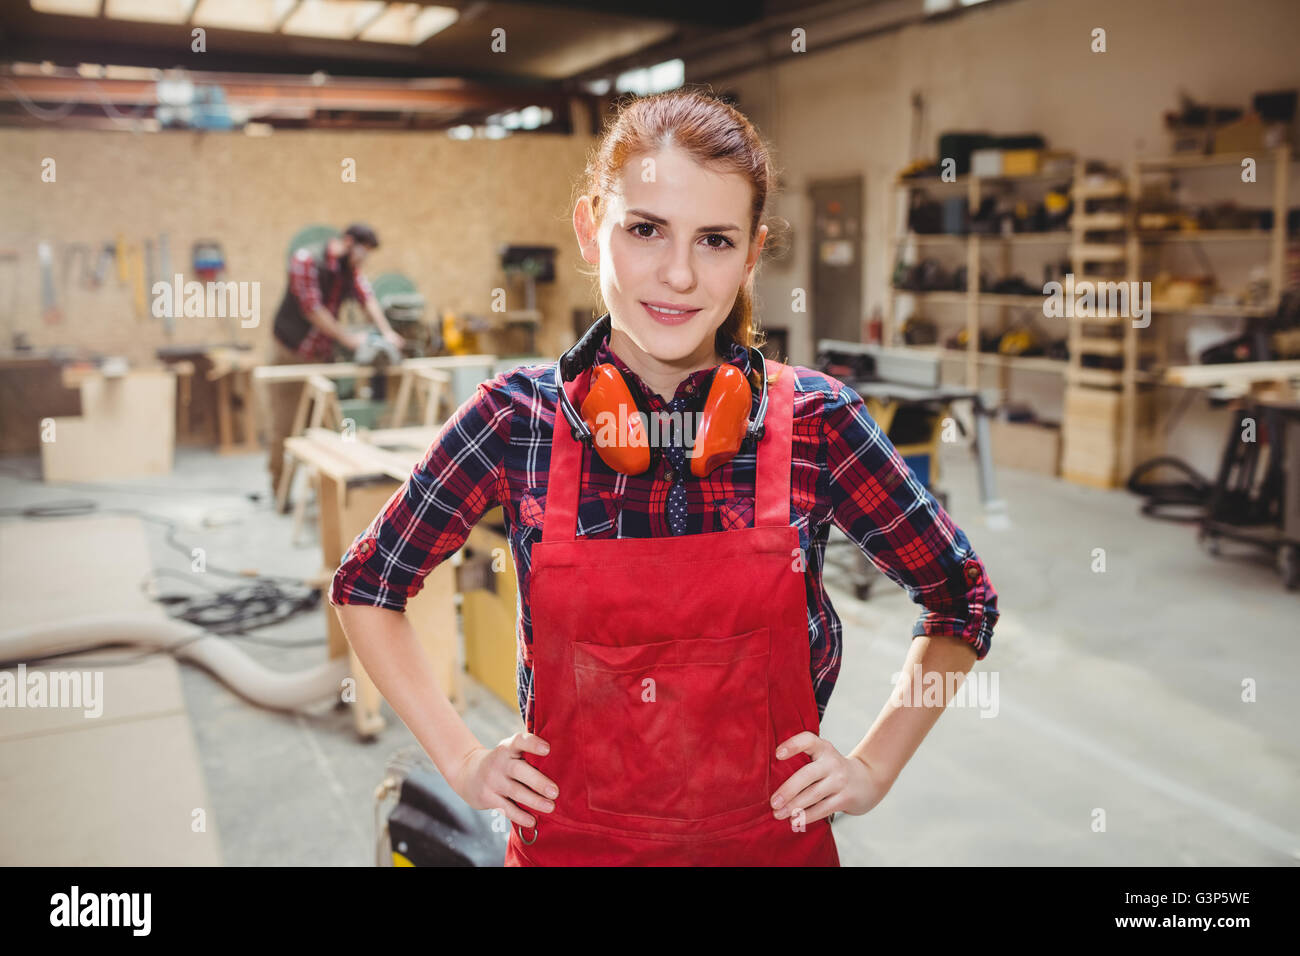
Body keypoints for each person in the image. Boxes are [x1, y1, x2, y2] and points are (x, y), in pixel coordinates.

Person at [330, 90, 1000, 866]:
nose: (678, 274)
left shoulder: (817, 421)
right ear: (591, 227)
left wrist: (874, 767)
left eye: (715, 240)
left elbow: (962, 598)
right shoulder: (515, 424)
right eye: (646, 229)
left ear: (752, 255)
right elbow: (367, 587)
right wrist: (463, 761)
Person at [266, 223, 405, 504]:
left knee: (321, 426)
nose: (363, 260)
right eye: (362, 253)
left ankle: (325, 496)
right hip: (291, 354)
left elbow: (367, 298)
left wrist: (387, 333)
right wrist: (347, 338)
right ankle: (280, 493)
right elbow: (312, 309)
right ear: (347, 242)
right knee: (287, 426)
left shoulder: (349, 270)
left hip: (320, 356)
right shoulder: (306, 260)